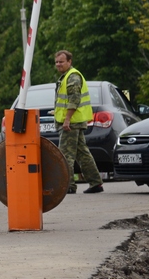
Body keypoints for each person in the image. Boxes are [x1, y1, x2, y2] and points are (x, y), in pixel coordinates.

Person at [54, 50, 104, 194]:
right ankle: (96, 183)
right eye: (56, 62)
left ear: (69, 62)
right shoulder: (67, 77)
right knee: (82, 153)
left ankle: (68, 186)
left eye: (61, 62)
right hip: (74, 122)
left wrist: (67, 119)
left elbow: (74, 99)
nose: (58, 64)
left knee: (65, 155)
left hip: (70, 124)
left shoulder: (72, 77)